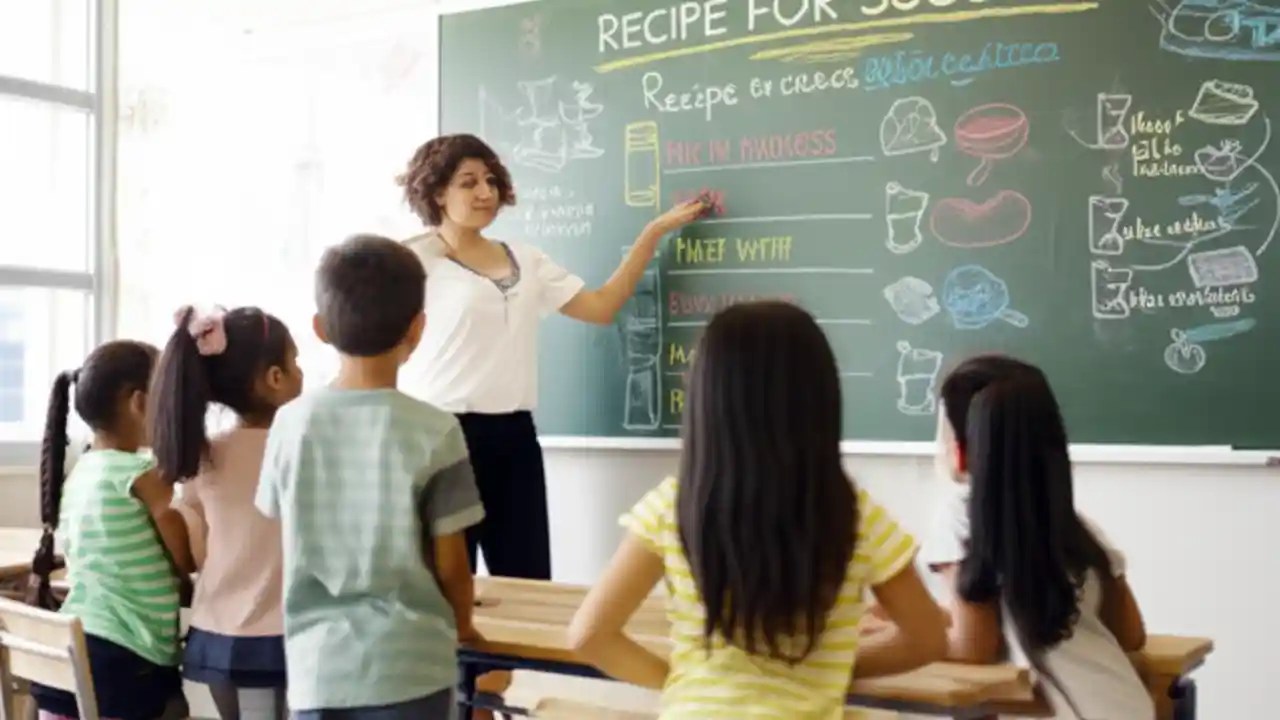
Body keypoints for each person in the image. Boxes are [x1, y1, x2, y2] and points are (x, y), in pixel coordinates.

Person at [567, 301, 948, 719]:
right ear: (820, 399)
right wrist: (830, 672)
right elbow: (927, 637)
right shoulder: (853, 515)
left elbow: (589, 635)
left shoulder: (672, 507)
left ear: (705, 400)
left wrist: (683, 684)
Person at [396, 133, 707, 581]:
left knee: (527, 580)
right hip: (441, 436)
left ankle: (516, 658)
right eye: (467, 182)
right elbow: (377, 332)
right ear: (437, 192)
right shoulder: (415, 262)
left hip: (514, 436)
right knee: (445, 586)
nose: (485, 192)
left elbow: (600, 308)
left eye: (490, 180)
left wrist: (652, 233)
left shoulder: (527, 258)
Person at [255, 234, 485, 718]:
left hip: (317, 671)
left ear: (319, 329)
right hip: (412, 667)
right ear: (417, 330)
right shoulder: (437, 431)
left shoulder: (291, 424)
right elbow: (452, 565)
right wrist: (464, 628)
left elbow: (282, 527)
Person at [923, 355, 1153, 719]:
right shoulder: (1079, 529)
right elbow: (1130, 634)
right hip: (1128, 706)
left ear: (962, 447)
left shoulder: (958, 518)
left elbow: (974, 645)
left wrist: (909, 634)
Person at [149, 305, 304, 720]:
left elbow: (197, 550)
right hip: (279, 633)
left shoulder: (206, 455)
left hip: (216, 632)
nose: (301, 372)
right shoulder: (301, 448)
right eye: (296, 362)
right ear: (275, 378)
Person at [29, 340, 192, 720]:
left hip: (65, 656)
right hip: (122, 662)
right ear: (138, 402)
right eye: (166, 396)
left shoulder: (81, 472)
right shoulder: (143, 475)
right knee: (175, 704)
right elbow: (186, 558)